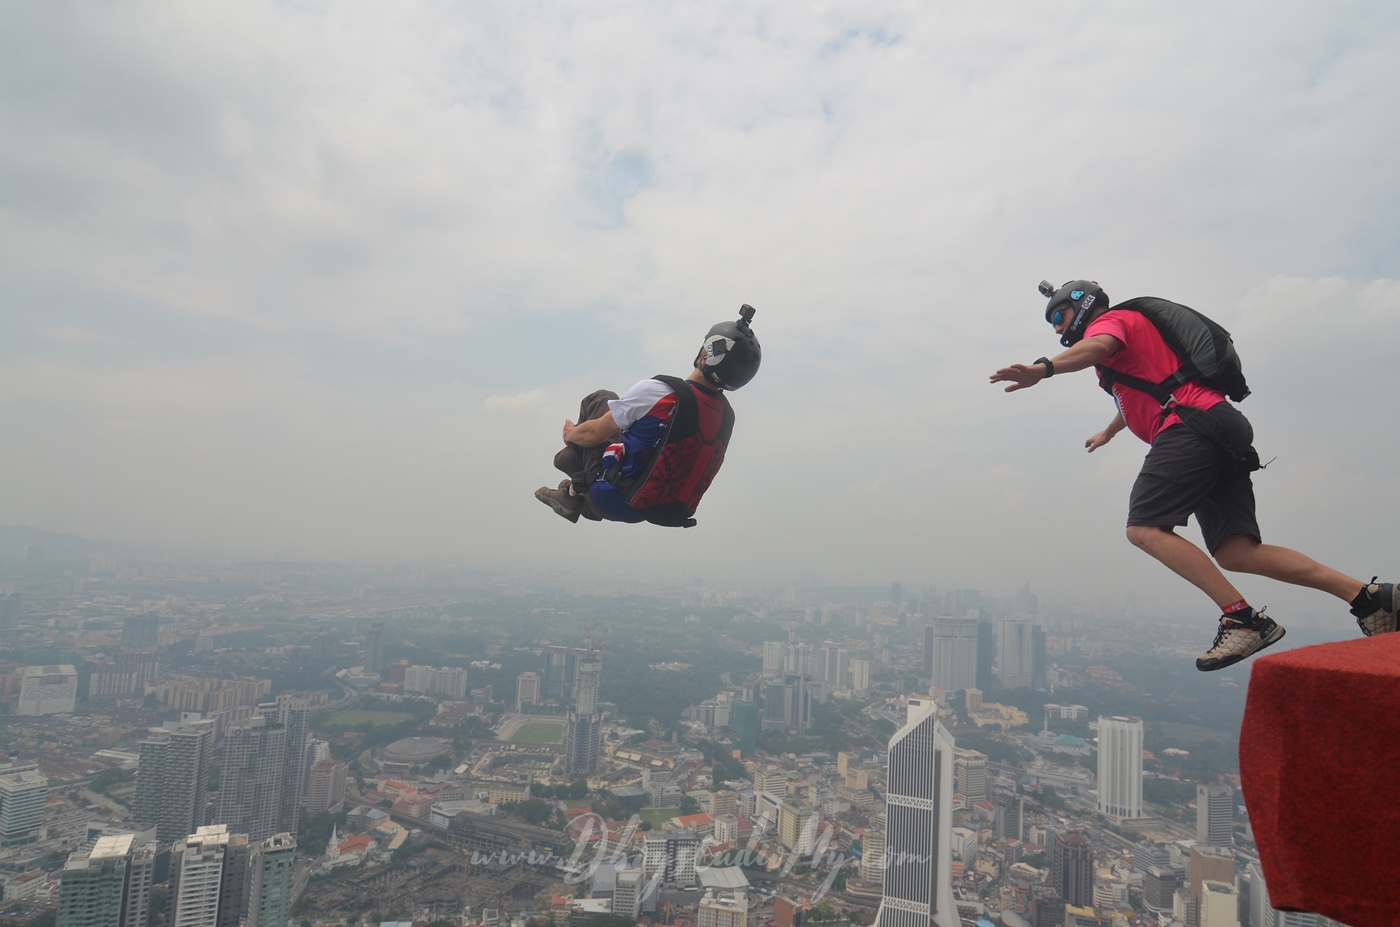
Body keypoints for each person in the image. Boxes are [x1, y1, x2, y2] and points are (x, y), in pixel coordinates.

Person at [990, 280, 1398, 671]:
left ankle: (1243, 620)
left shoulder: (1110, 323)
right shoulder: (1129, 342)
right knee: (1236, 552)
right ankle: (1368, 598)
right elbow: (1142, 392)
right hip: (1215, 423)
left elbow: (1098, 346)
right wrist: (1110, 432)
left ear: (1081, 305)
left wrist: (1043, 368)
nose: (1057, 328)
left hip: (1189, 425)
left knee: (1144, 528)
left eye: (1058, 317)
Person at [536, 305, 761, 528]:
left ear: (705, 356)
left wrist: (570, 433)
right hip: (650, 509)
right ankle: (577, 491)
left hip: (613, 496)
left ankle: (574, 493)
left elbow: (594, 434)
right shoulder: (725, 417)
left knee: (600, 400)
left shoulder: (661, 391)